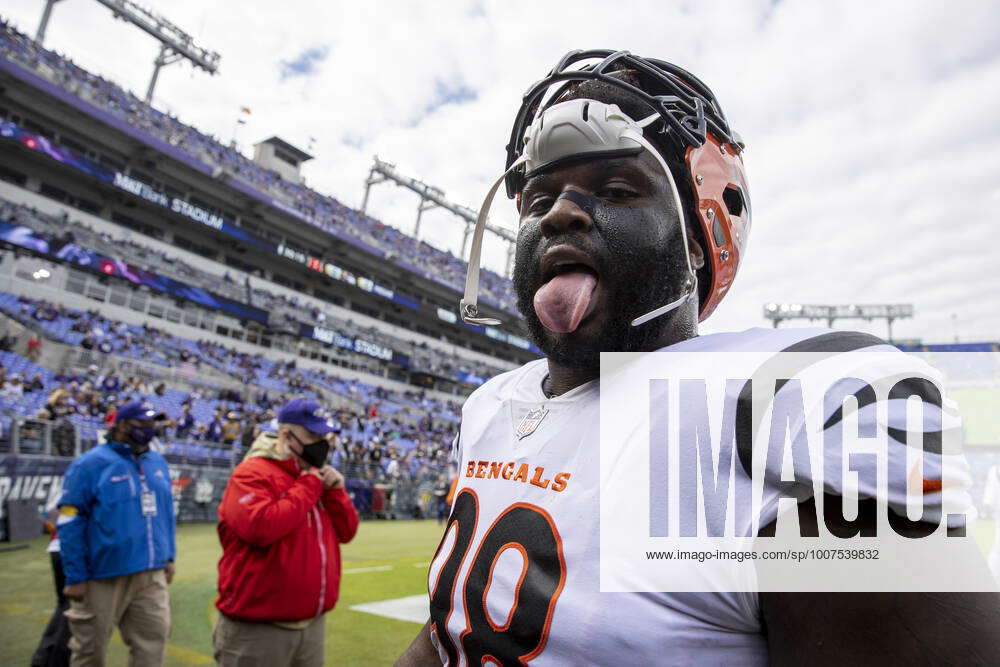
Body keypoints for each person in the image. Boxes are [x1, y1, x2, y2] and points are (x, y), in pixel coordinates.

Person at [398, 50, 1000, 665]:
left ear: (696, 242)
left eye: (615, 189)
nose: (559, 213)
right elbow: (447, 633)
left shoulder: (781, 404)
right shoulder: (491, 408)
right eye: (538, 200)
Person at [214, 398, 359, 667]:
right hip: (258, 628)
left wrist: (336, 492)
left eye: (324, 435)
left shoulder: (313, 474)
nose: (322, 442)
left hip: (312, 623)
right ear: (285, 434)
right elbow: (260, 528)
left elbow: (347, 531)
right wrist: (308, 484)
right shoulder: (252, 472)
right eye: (313, 435)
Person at [57, 401, 175, 666]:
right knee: (90, 651)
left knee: (153, 645)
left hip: (150, 574)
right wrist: (75, 575)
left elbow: (166, 512)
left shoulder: (157, 462)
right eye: (142, 424)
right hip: (103, 575)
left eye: (153, 424)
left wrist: (169, 556)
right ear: (121, 425)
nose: (150, 430)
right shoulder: (90, 464)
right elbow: (70, 522)